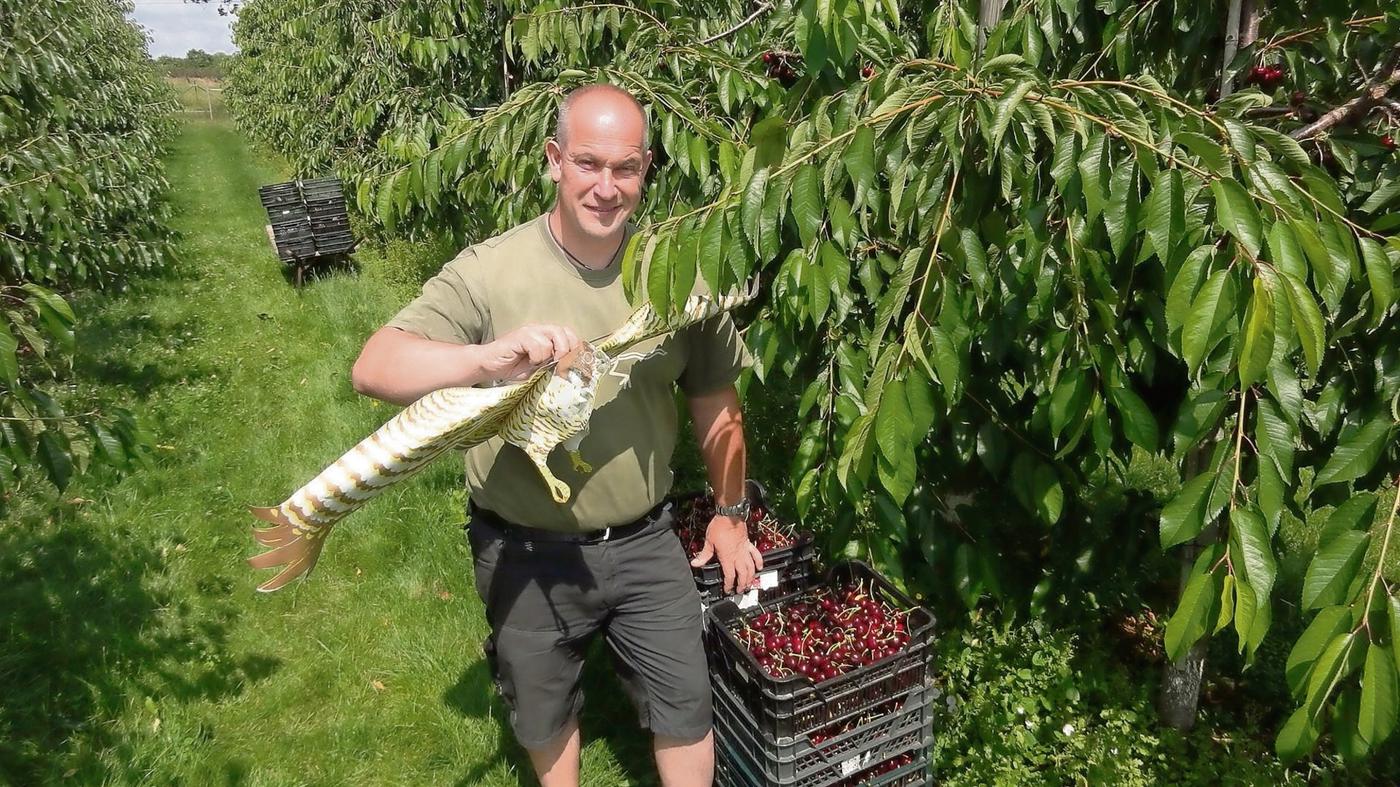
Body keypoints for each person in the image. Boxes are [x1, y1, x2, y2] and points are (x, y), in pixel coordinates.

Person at [349, 83, 762, 787]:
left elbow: (716, 403)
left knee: (686, 706)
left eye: (625, 167)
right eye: (588, 163)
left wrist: (729, 516)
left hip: (644, 541)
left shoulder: (674, 273)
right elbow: (374, 365)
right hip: (524, 547)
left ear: (647, 169)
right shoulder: (491, 271)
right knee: (542, 709)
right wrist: (483, 359)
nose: (606, 186)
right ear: (553, 161)